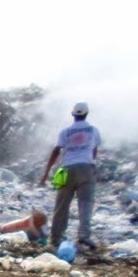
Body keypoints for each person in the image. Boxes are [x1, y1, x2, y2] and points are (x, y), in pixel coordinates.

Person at [39, 101, 102, 250]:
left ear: (73, 114)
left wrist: (46, 173)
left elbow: (56, 152)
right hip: (86, 169)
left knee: (61, 204)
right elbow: (94, 150)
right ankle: (84, 236)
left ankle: (56, 236)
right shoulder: (93, 130)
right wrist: (91, 163)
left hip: (66, 169)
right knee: (86, 203)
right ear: (86, 114)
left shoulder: (65, 132)